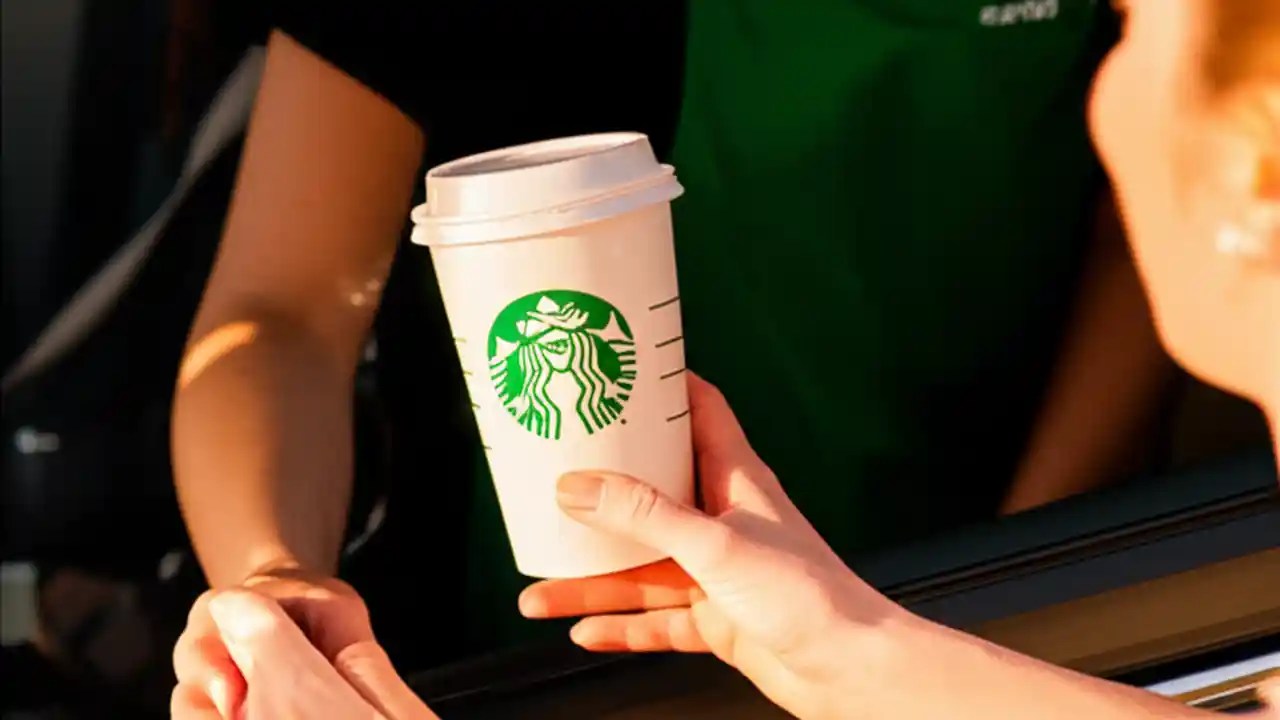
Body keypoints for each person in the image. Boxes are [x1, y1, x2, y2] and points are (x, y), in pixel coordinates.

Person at [172, 0, 1279, 717]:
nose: (1107, 86)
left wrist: (1011, 586)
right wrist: (273, 578)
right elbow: (279, 311)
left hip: (1006, 599)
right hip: (532, 660)